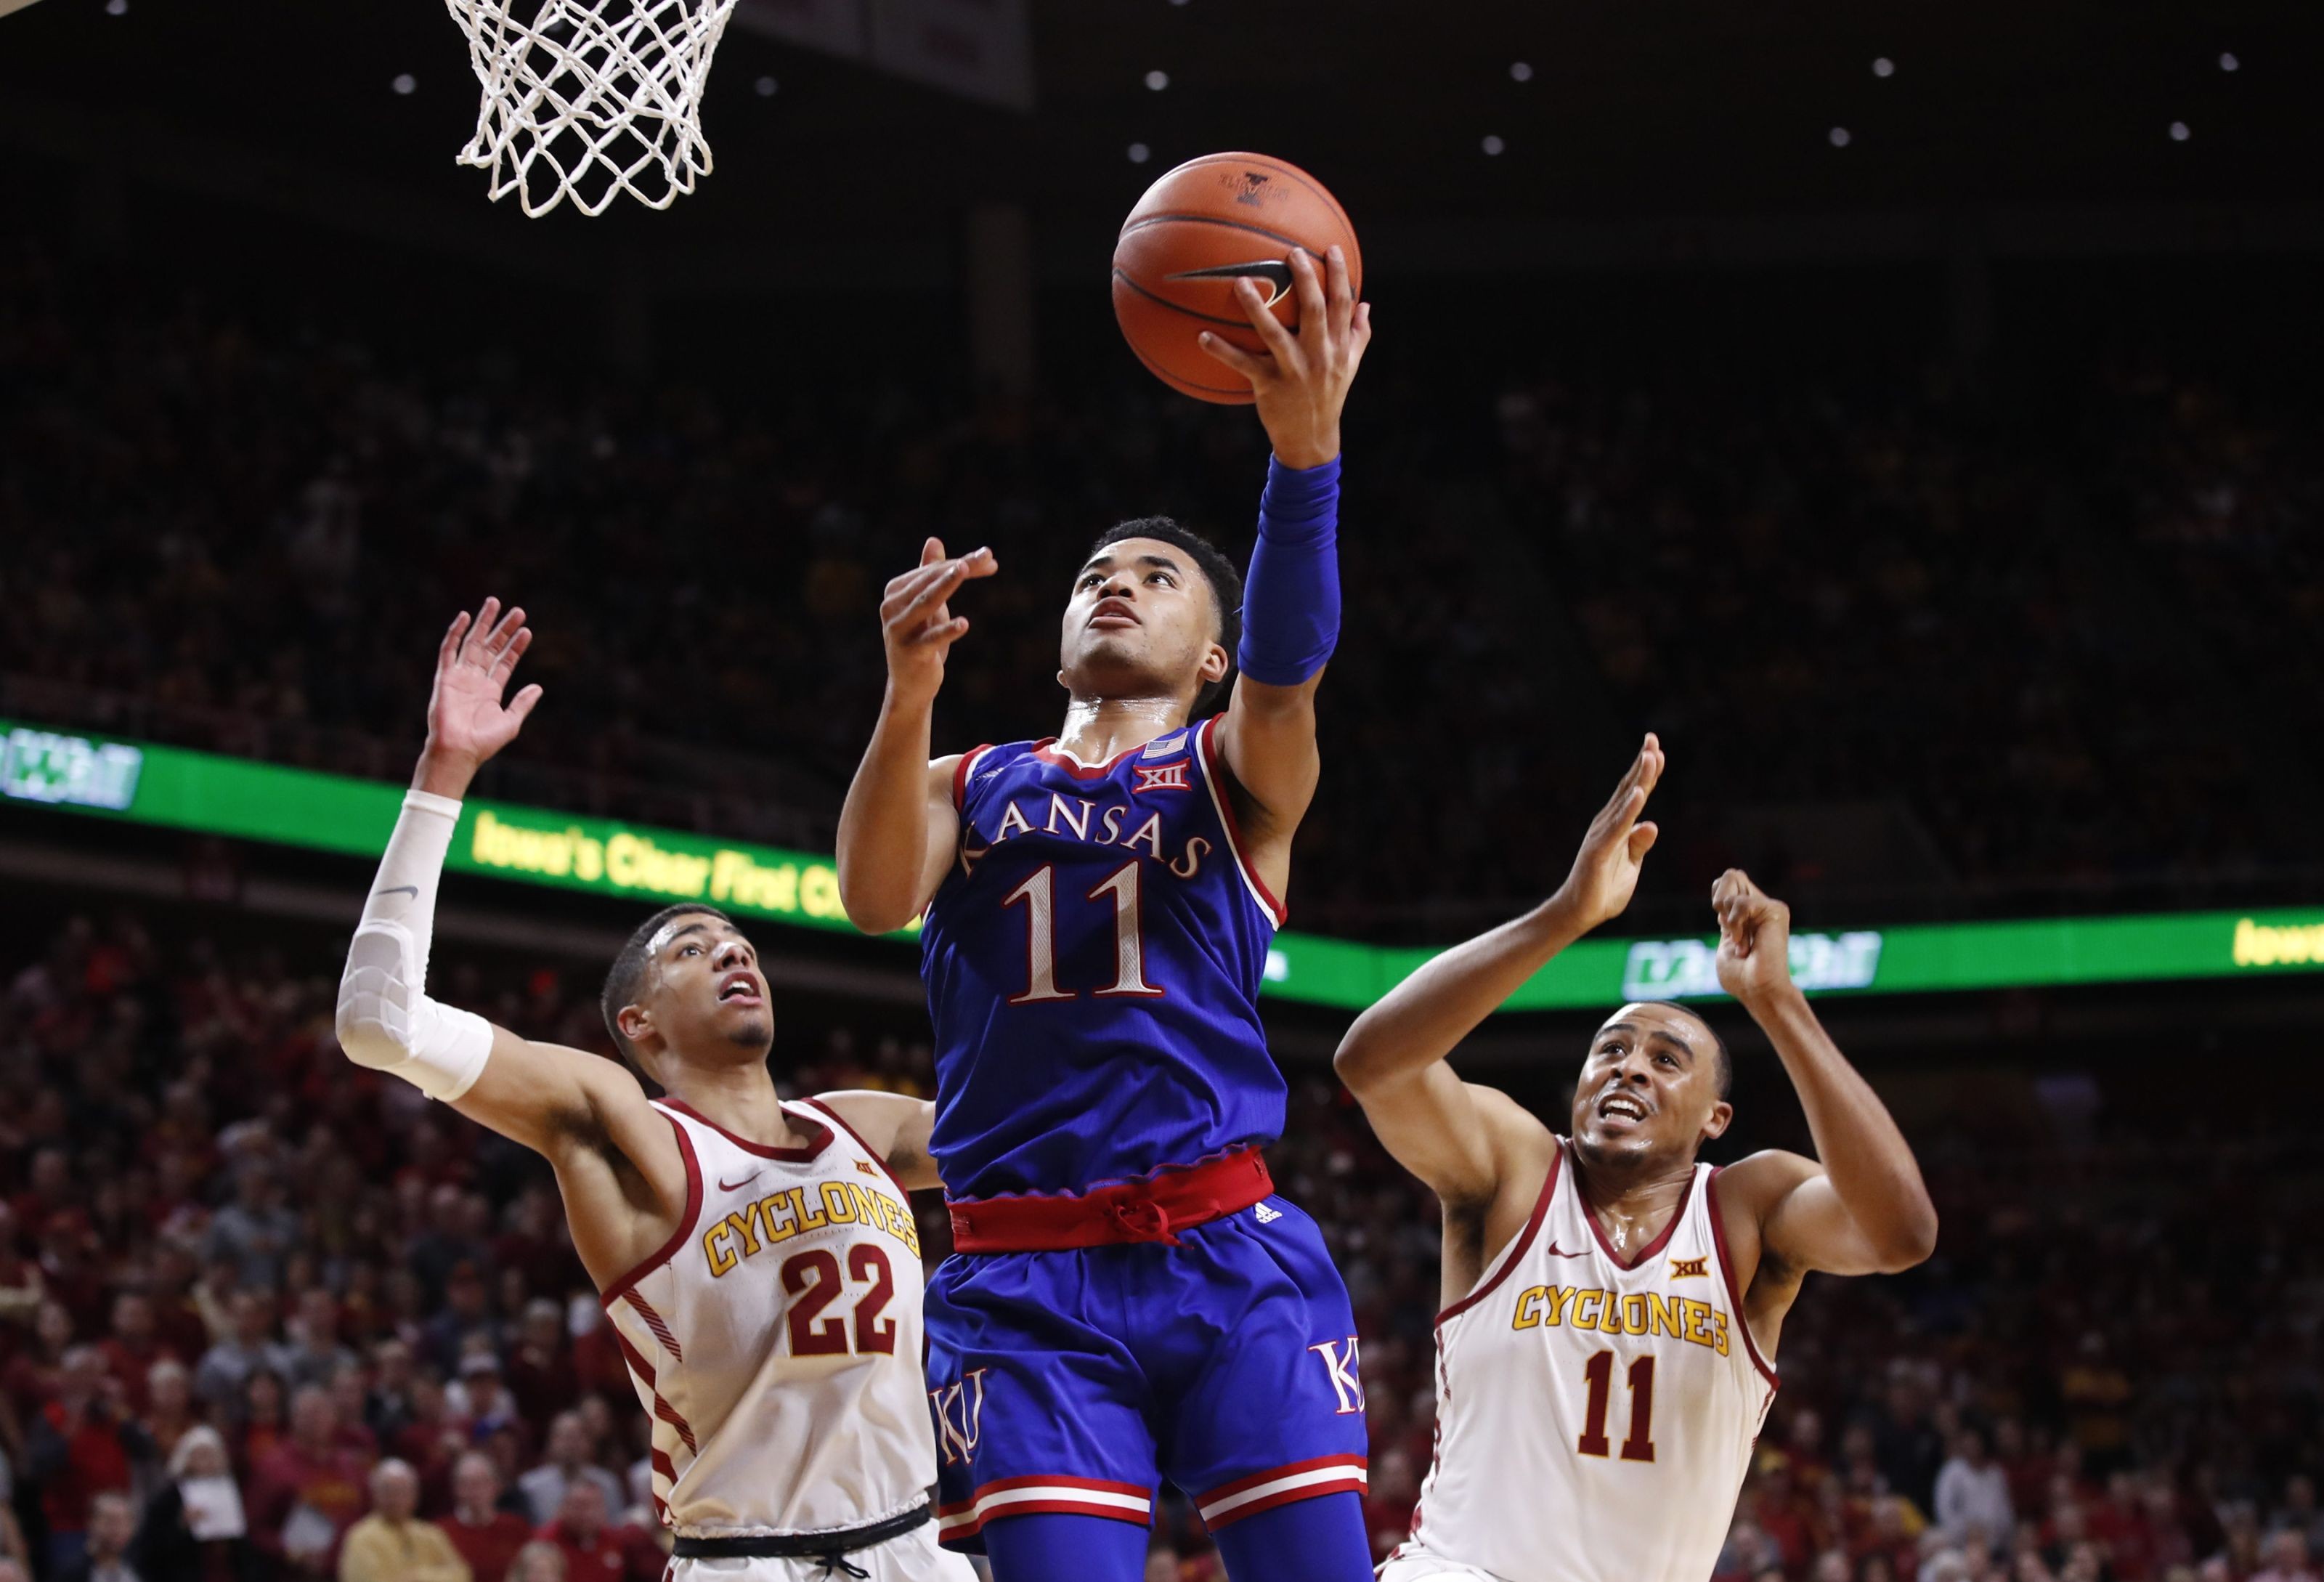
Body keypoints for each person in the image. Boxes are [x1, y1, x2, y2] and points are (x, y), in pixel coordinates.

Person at [836, 248, 1374, 1582]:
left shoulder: (1230, 770)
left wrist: (1304, 462)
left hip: (1223, 1247)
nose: (1114, 583)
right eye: (1093, 574)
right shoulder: (974, 778)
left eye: (1155, 575)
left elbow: (1293, 670)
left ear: (1211, 654)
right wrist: (906, 690)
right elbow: (869, 897)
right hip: (1020, 1273)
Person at [333, 601, 972, 1581]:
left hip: (918, 1551)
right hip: (748, 1559)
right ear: (638, 1024)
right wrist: (444, 773)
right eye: (692, 947)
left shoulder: (857, 1126)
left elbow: (1045, 1139)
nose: (732, 953)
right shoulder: (626, 1130)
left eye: (741, 944)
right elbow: (378, 1018)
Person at [1333, 740, 1940, 1582]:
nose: (1627, 1067)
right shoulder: (1512, 1170)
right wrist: (1564, 915)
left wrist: (1777, 1001)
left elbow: (1900, 1232)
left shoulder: (1747, 1208)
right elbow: (1372, 1065)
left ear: (1714, 1119)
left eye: (1665, 1060)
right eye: (1609, 1050)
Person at [129, 1424, 261, 1582]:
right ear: (186, 1459)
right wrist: (181, 1525)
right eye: (200, 1455)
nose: (206, 1462)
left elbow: (249, 1544)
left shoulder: (235, 1492)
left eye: (211, 1455)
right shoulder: (169, 1499)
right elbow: (149, 1548)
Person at [338, 1461, 471, 1582]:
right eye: (389, 1491)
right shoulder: (361, 1537)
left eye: (404, 1491)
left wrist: (417, 1577)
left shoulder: (430, 1534)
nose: (397, 1498)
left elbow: (461, 1575)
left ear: (415, 1495)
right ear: (375, 1494)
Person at [439, 1451, 534, 1582]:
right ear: (456, 1489)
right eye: (465, 1483)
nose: (473, 1490)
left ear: (496, 1486)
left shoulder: (516, 1527)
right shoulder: (440, 1532)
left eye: (481, 1482)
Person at [516, 1413, 622, 1528]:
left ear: (589, 1443)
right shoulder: (530, 1486)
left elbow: (615, 1527)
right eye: (565, 1437)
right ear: (551, 1442)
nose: (571, 1444)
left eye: (577, 1437)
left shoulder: (607, 1483)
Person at [57, 1492, 141, 1582]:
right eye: (110, 1521)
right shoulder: (71, 1571)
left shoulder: (144, 1569)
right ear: (91, 1523)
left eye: (124, 1521)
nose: (117, 1529)